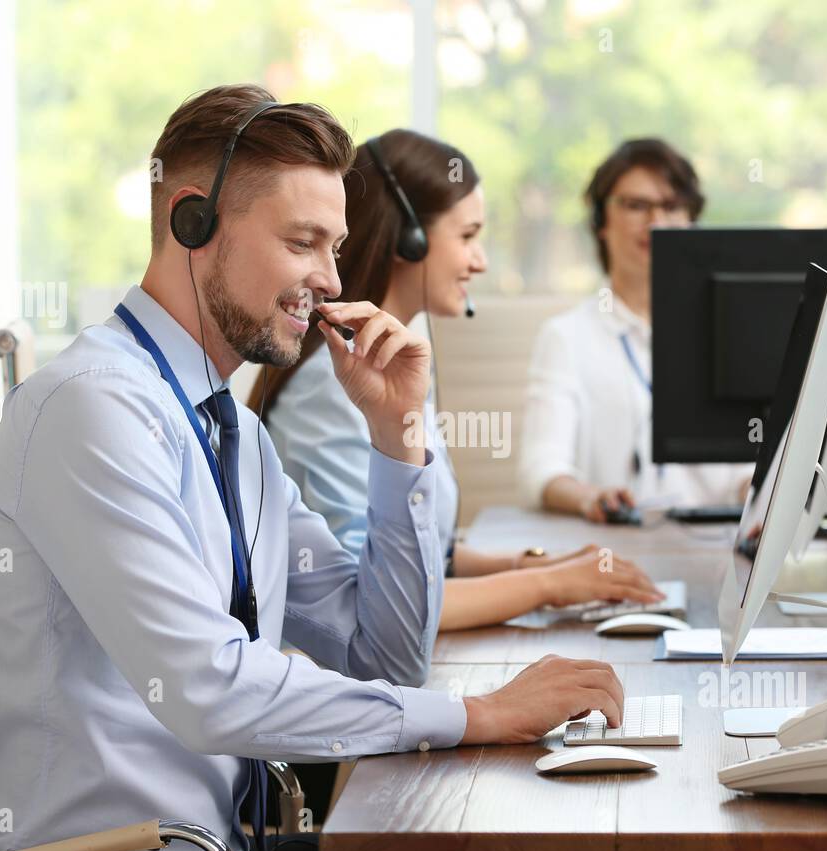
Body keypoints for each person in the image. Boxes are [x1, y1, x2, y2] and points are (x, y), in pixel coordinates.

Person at [0, 85, 627, 851]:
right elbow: (209, 691)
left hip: (211, 849)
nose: (331, 280)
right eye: (304, 242)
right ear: (191, 221)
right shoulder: (92, 411)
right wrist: (477, 714)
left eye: (335, 247)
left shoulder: (231, 430)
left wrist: (397, 434)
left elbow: (383, 657)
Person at [255, 129, 664, 632]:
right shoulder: (334, 383)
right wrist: (548, 586)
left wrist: (535, 565)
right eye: (468, 236)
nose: (481, 261)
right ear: (411, 238)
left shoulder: (392, 362)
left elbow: (424, 554)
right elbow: (374, 599)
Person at [519, 138, 751, 522]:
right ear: (600, 222)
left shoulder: (726, 334)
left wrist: (760, 499)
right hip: (612, 552)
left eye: (672, 206)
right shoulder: (566, 337)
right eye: (636, 205)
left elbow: (750, 469)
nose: (656, 222)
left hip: (718, 553)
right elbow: (540, 471)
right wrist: (590, 498)